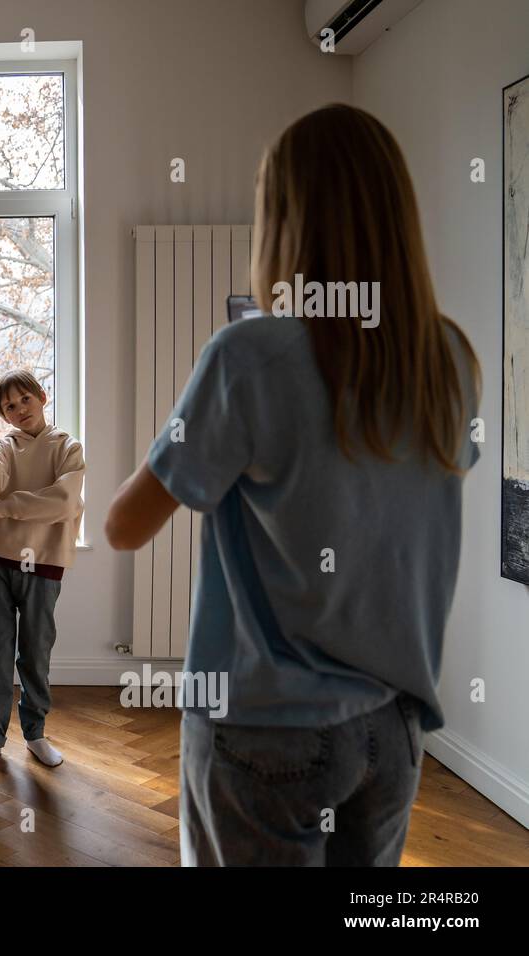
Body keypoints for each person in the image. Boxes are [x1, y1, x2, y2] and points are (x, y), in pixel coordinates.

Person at [104, 103, 482, 866]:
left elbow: (124, 525)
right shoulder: (448, 359)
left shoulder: (250, 355)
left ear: (285, 220)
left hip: (265, 727)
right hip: (392, 727)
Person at [0, 370, 85, 772]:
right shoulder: (2, 445)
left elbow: (63, 503)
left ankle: (35, 734)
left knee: (35, 654)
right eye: (8, 408)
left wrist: (6, 506)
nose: (18, 411)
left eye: (24, 401)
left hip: (45, 563)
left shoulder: (68, 447)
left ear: (42, 396)